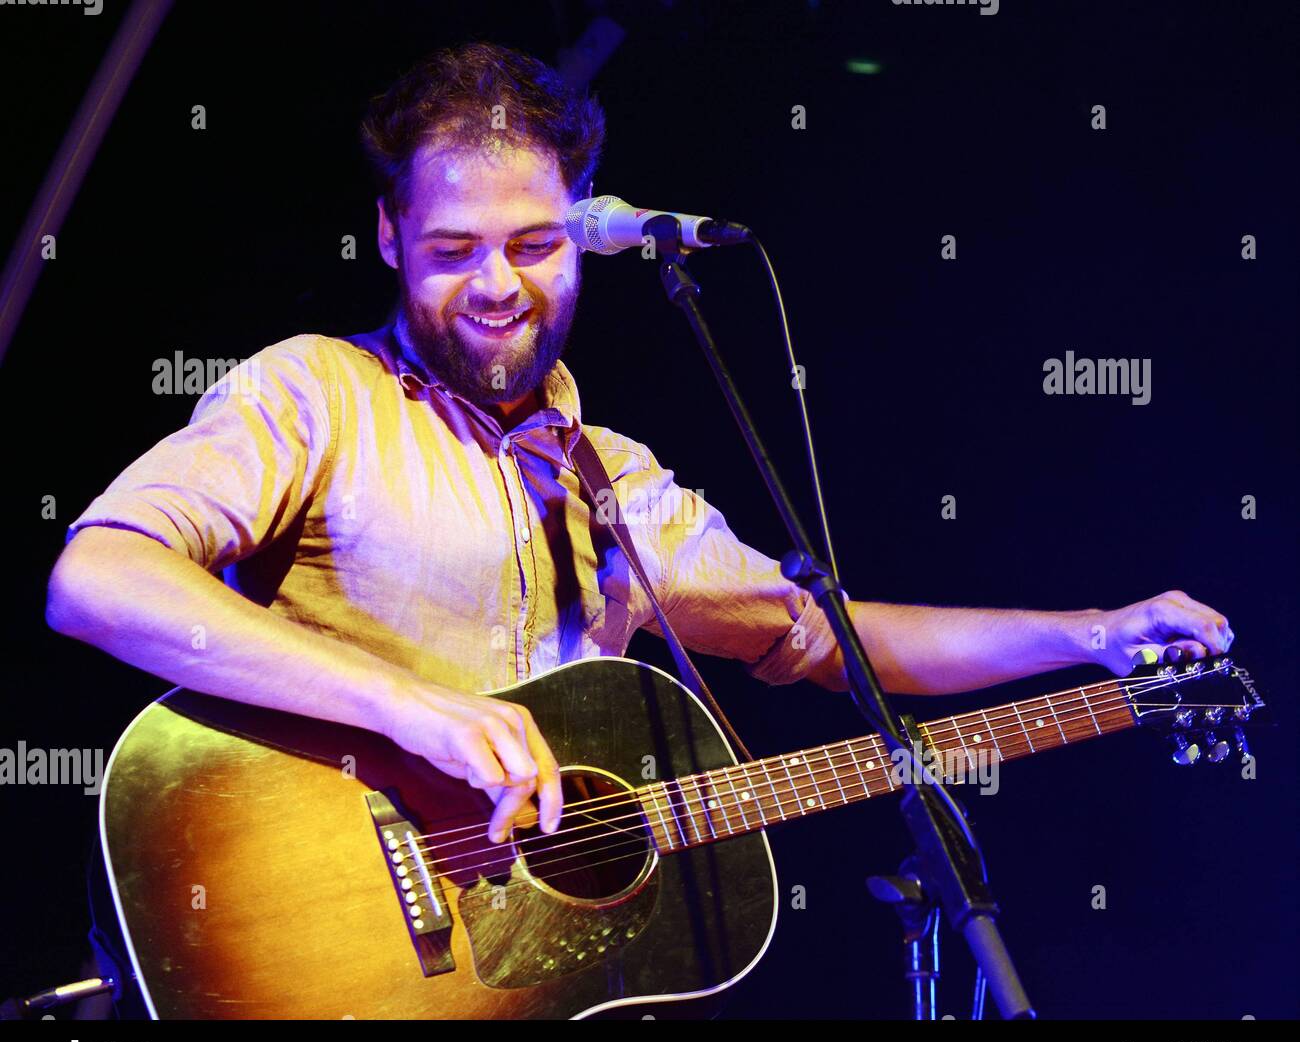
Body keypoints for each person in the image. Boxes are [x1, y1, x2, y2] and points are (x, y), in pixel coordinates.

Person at [45, 43, 1233, 847]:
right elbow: (97, 578)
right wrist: (410, 707)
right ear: (389, 236)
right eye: (454, 249)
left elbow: (835, 644)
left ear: (587, 235)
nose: (497, 286)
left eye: (533, 245)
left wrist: (1096, 634)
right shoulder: (314, 389)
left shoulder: (613, 478)